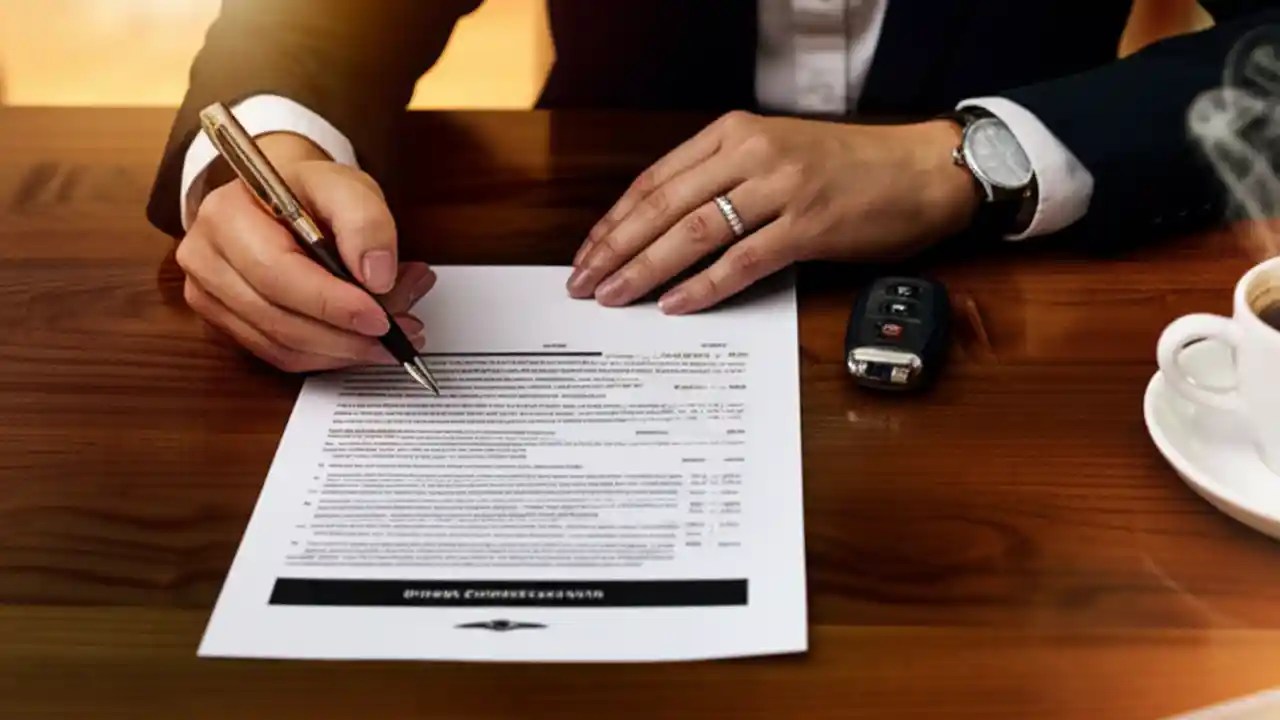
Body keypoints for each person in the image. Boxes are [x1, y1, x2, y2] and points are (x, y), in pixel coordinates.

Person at [147, 1, 1277, 373]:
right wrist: (266, 150)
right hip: (588, 240)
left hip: (1018, 312)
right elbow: (318, 25)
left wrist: (979, 155)